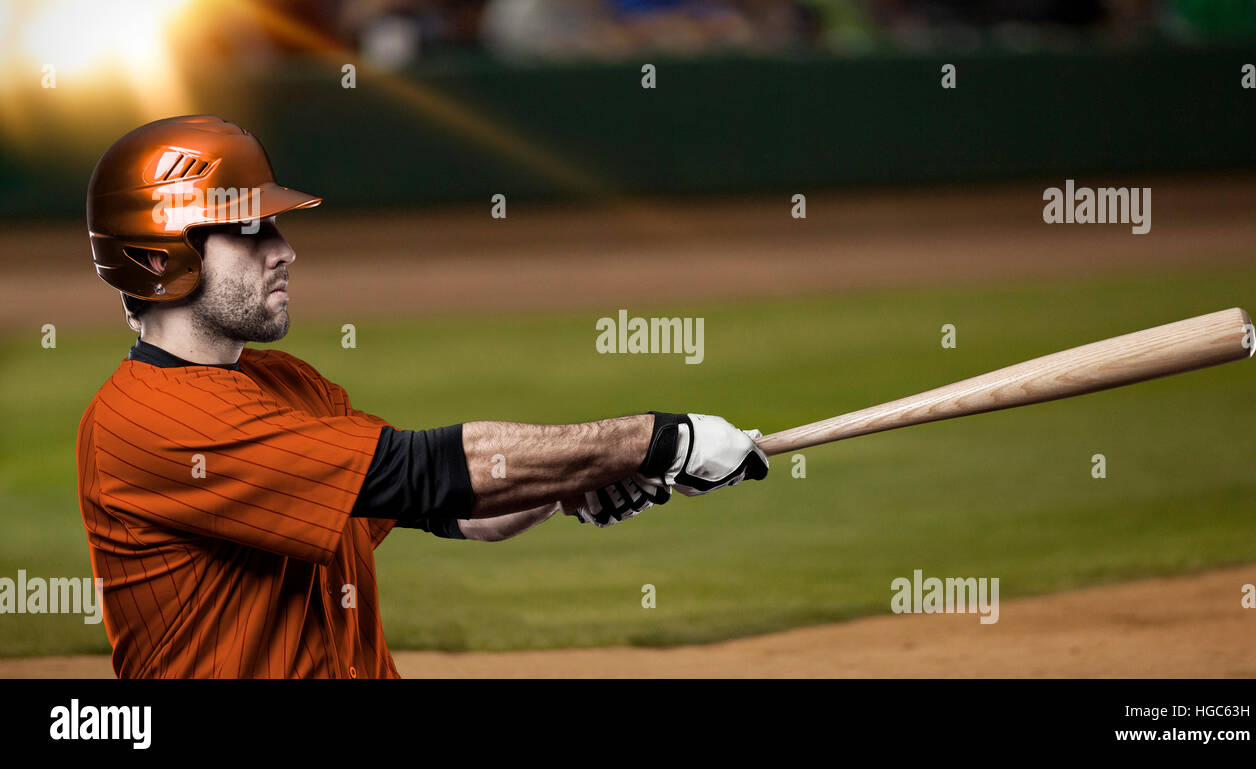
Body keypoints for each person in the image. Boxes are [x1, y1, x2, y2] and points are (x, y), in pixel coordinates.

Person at [76, 115, 767, 678]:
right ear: (160, 254)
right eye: (252, 230)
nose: (285, 250)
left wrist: (571, 484)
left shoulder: (289, 384)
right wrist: (661, 439)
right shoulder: (145, 421)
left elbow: (446, 509)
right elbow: (419, 471)